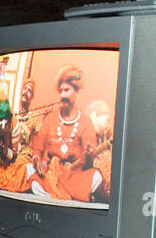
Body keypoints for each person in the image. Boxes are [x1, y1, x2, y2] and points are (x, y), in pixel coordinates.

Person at [28, 64, 103, 202]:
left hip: (74, 176)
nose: (62, 95)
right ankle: (71, 194)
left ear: (76, 92)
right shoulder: (50, 119)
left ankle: (61, 192)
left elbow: (90, 154)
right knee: (34, 181)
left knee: (96, 177)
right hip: (50, 173)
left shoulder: (85, 121)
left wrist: (89, 152)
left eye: (66, 90)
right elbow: (37, 148)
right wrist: (37, 160)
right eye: (61, 91)